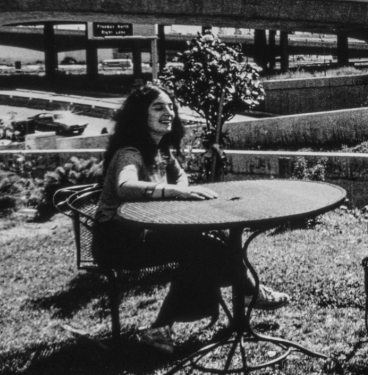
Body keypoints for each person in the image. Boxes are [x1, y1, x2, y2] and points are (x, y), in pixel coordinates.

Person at [93, 82, 288, 353]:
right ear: (140, 115)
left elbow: (180, 176)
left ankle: (243, 293)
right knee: (202, 249)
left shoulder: (161, 150)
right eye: (158, 107)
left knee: (213, 239)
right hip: (118, 242)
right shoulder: (130, 152)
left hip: (143, 233)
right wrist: (176, 192)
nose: (168, 113)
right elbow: (124, 186)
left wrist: (180, 187)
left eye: (171, 107)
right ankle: (248, 291)